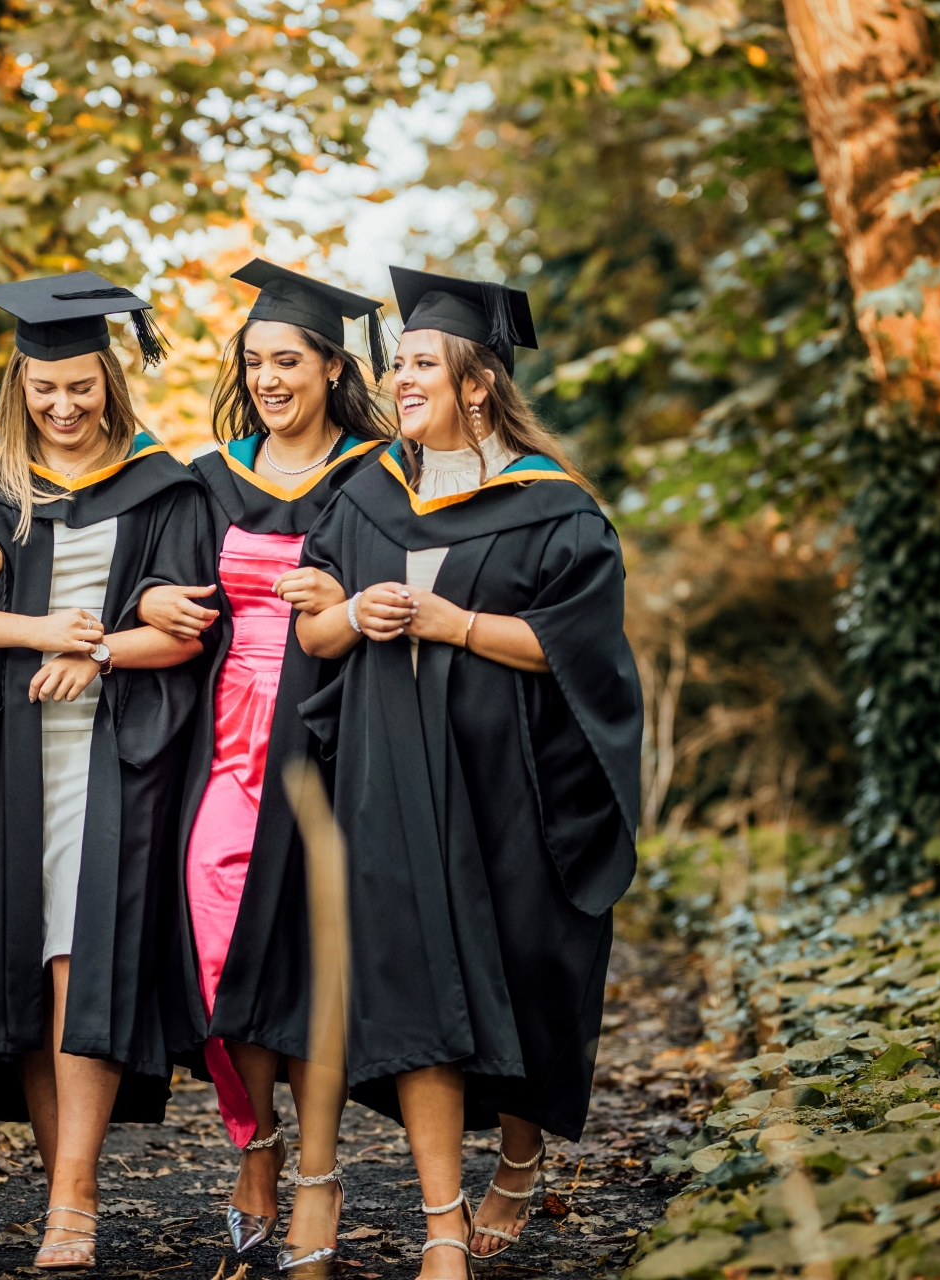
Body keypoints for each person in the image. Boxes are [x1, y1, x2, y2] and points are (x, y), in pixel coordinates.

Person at [294, 268, 643, 1278]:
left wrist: (455, 623)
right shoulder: (364, 495)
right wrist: (353, 614)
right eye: (396, 363)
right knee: (415, 983)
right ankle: (442, 1219)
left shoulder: (553, 508)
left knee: (527, 971)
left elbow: (582, 649)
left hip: (515, 781)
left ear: (478, 382)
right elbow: (315, 632)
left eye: (420, 364)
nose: (399, 379)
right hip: (393, 778)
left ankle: (521, 1159)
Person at [0, 272, 215, 1271]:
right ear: (19, 385)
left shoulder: (165, 484)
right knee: (27, 962)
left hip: (117, 747)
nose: (63, 406)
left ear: (110, 380)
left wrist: (100, 645)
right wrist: (20, 601)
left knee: (77, 960)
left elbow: (183, 631)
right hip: (9, 747)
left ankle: (75, 1198)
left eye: (82, 386)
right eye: (44, 389)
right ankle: (64, 1192)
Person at [138, 260, 393, 1269]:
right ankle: (257, 1141)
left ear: (332, 364)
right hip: (228, 732)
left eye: (288, 358)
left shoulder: (381, 474)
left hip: (332, 725)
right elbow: (163, 580)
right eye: (255, 361)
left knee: (311, 950)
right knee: (217, 934)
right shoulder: (211, 473)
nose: (269, 377)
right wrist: (155, 599)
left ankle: (318, 1174)